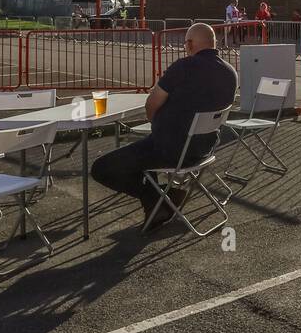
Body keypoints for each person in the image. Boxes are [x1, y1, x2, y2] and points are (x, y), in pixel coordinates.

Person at [90, 22, 238, 229]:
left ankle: (164, 197)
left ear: (189, 44)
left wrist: (156, 123)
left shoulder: (184, 67)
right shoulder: (231, 72)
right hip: (204, 148)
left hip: (172, 150)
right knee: (142, 158)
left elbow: (152, 103)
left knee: (101, 168)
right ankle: (160, 201)